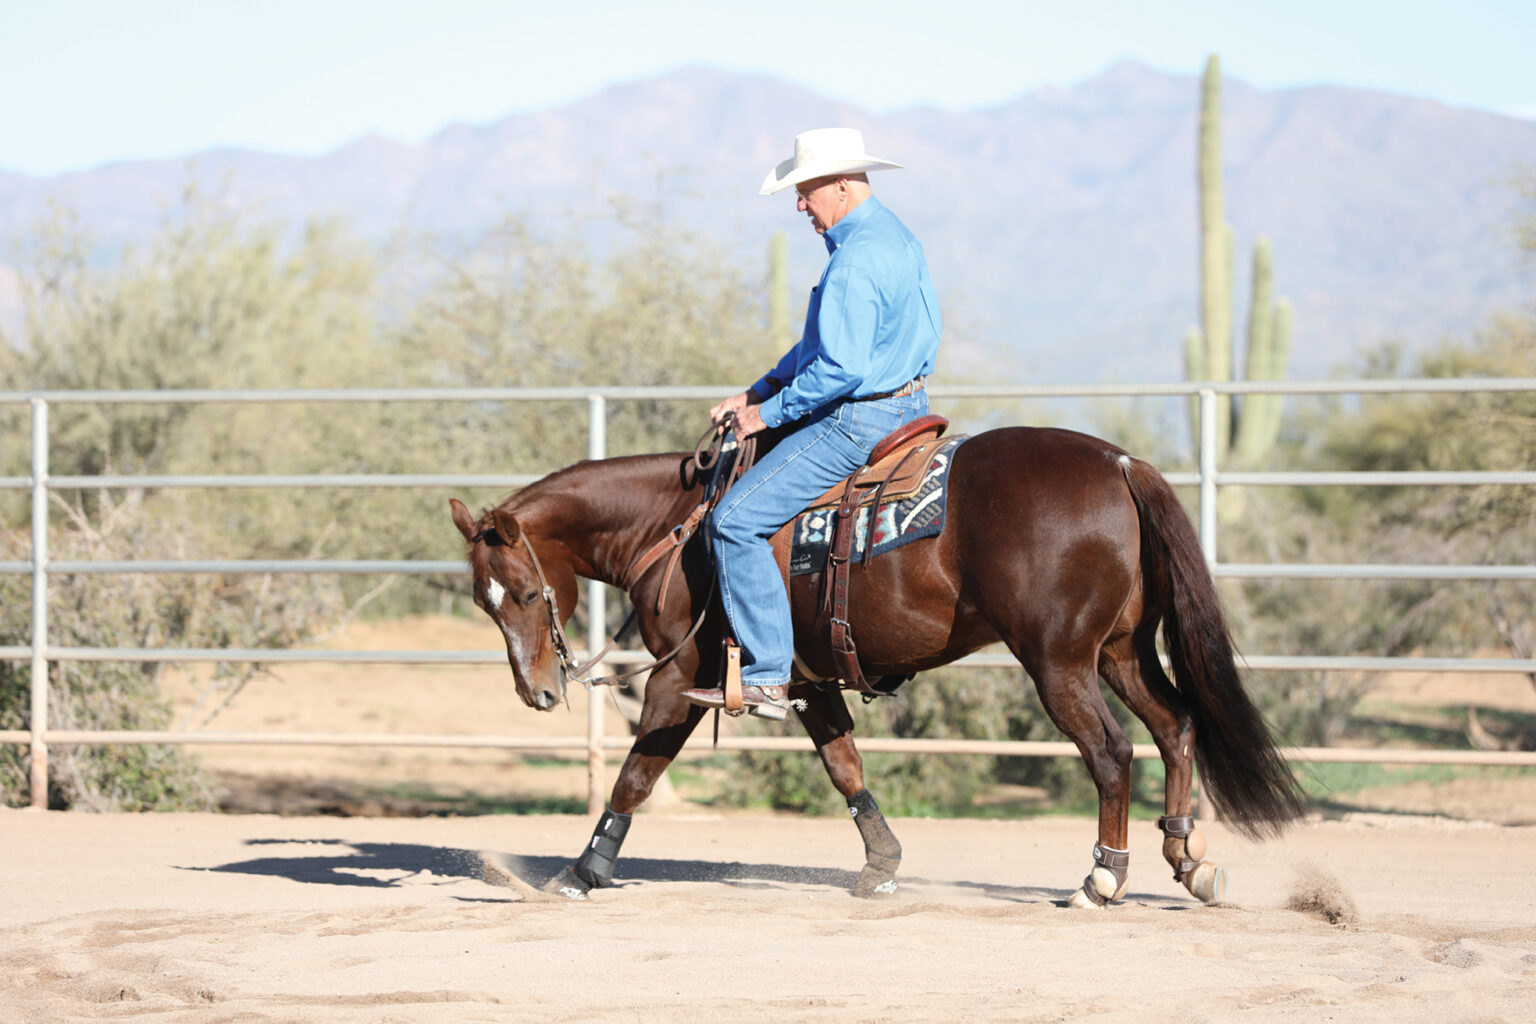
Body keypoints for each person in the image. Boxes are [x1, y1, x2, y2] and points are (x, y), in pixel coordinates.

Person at [682, 127, 942, 717]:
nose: (800, 206)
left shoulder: (853, 261)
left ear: (842, 186)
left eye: (807, 192)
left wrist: (763, 415)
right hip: (912, 406)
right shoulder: (896, 236)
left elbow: (840, 369)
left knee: (733, 522)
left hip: (859, 421)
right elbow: (826, 345)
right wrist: (759, 389)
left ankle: (768, 674)